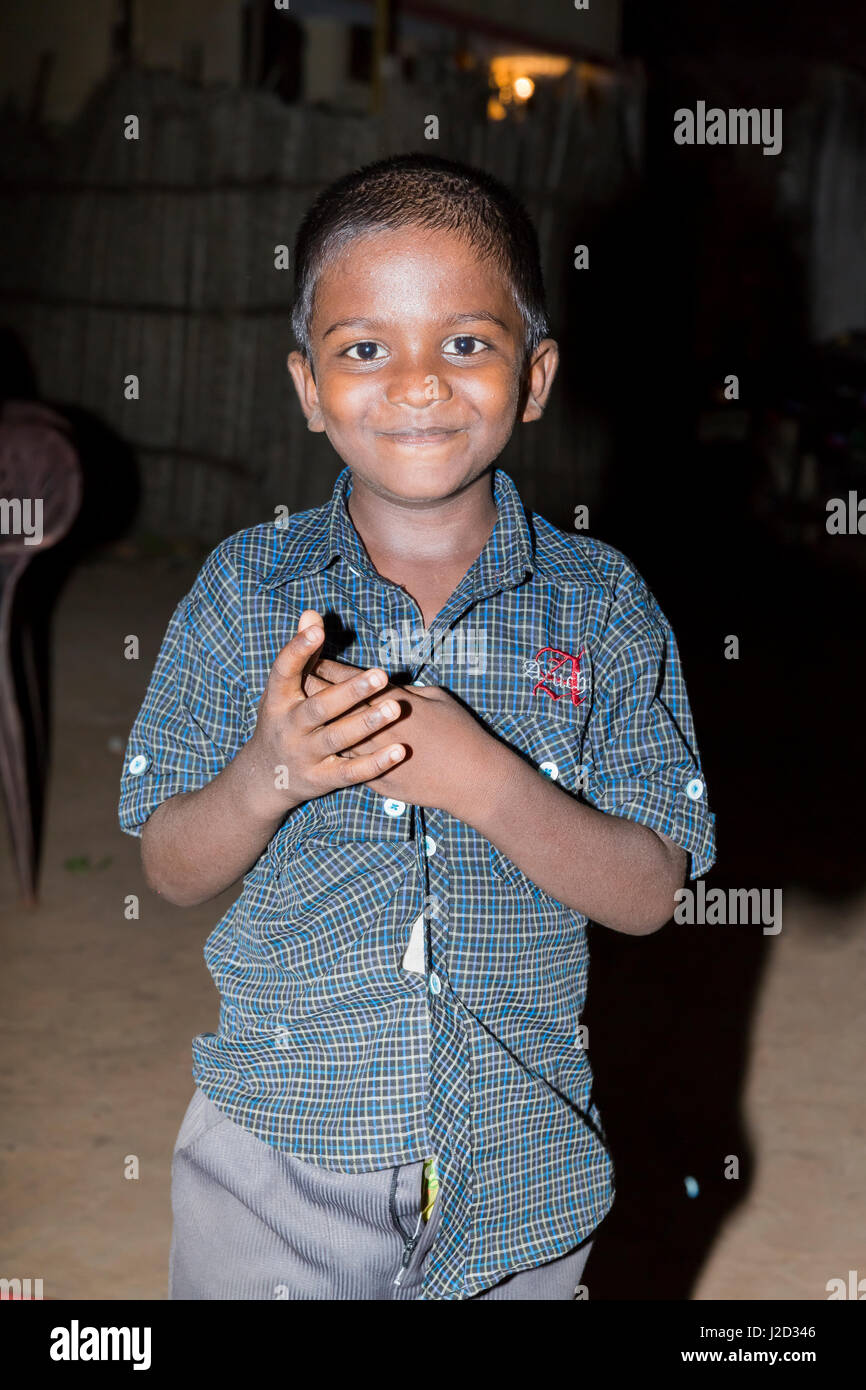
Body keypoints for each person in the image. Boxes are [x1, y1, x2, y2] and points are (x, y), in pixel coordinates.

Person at [118, 153, 716, 1301]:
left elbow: (648, 891)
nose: (416, 383)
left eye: (463, 342)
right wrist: (267, 774)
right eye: (363, 348)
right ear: (306, 386)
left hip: (519, 1166)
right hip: (276, 1152)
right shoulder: (247, 590)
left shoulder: (602, 607)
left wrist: (487, 783)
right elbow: (169, 863)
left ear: (534, 377)